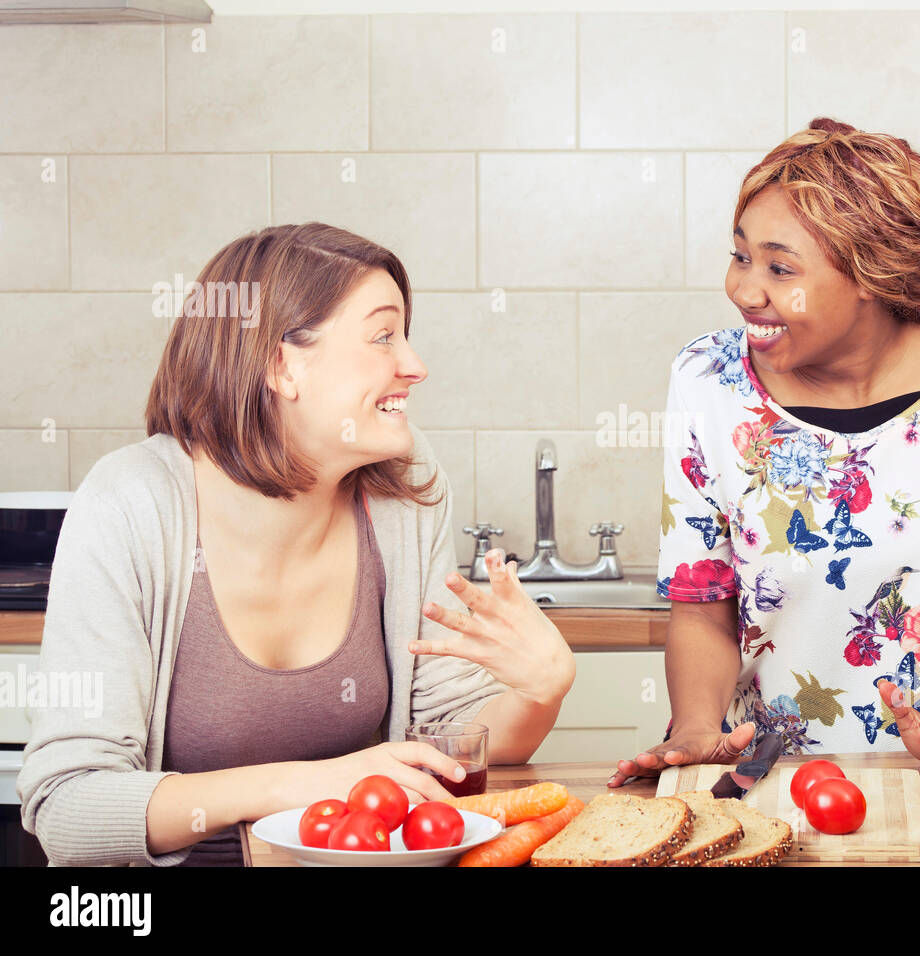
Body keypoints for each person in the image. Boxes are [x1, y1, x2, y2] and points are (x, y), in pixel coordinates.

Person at [18, 223, 575, 866]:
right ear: (281, 364)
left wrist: (540, 693)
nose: (414, 366)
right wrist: (290, 786)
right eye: (382, 336)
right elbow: (67, 806)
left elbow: (447, 742)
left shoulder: (403, 491)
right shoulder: (129, 504)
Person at [610, 118, 920, 787]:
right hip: (763, 776)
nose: (745, 289)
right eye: (741, 255)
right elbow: (701, 603)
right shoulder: (707, 379)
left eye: (780, 268)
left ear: (871, 274)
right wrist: (695, 726)